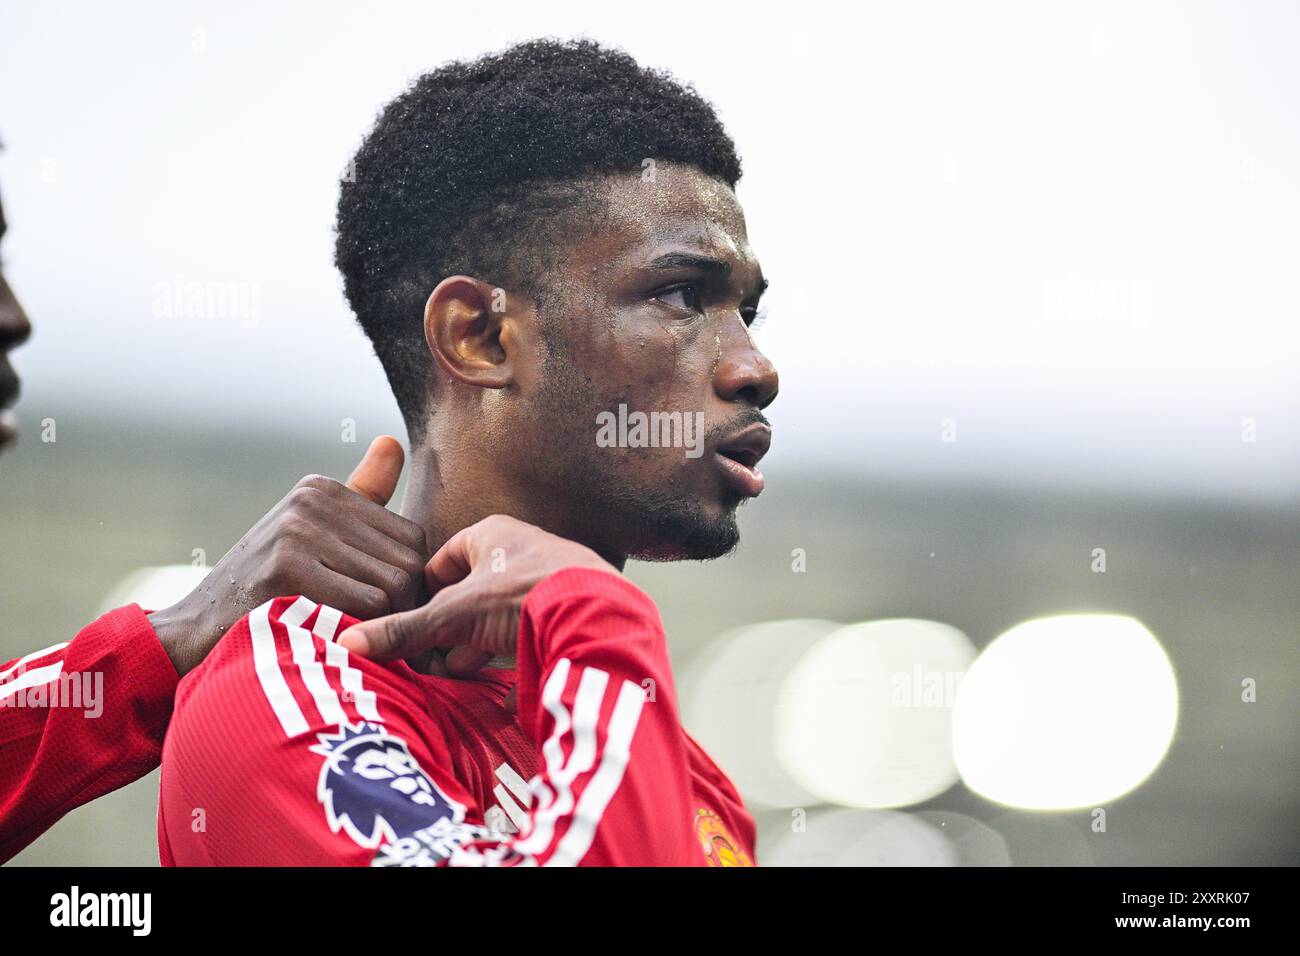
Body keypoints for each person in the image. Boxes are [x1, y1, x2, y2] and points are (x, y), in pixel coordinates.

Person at [157, 37, 777, 867]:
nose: (755, 368)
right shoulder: (294, 695)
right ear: (480, 337)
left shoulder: (688, 778)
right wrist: (593, 608)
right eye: (679, 296)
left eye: (747, 312)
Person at [0, 178, 433, 862]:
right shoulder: (276, 700)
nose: (16, 317)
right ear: (476, 335)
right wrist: (600, 621)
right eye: (666, 294)